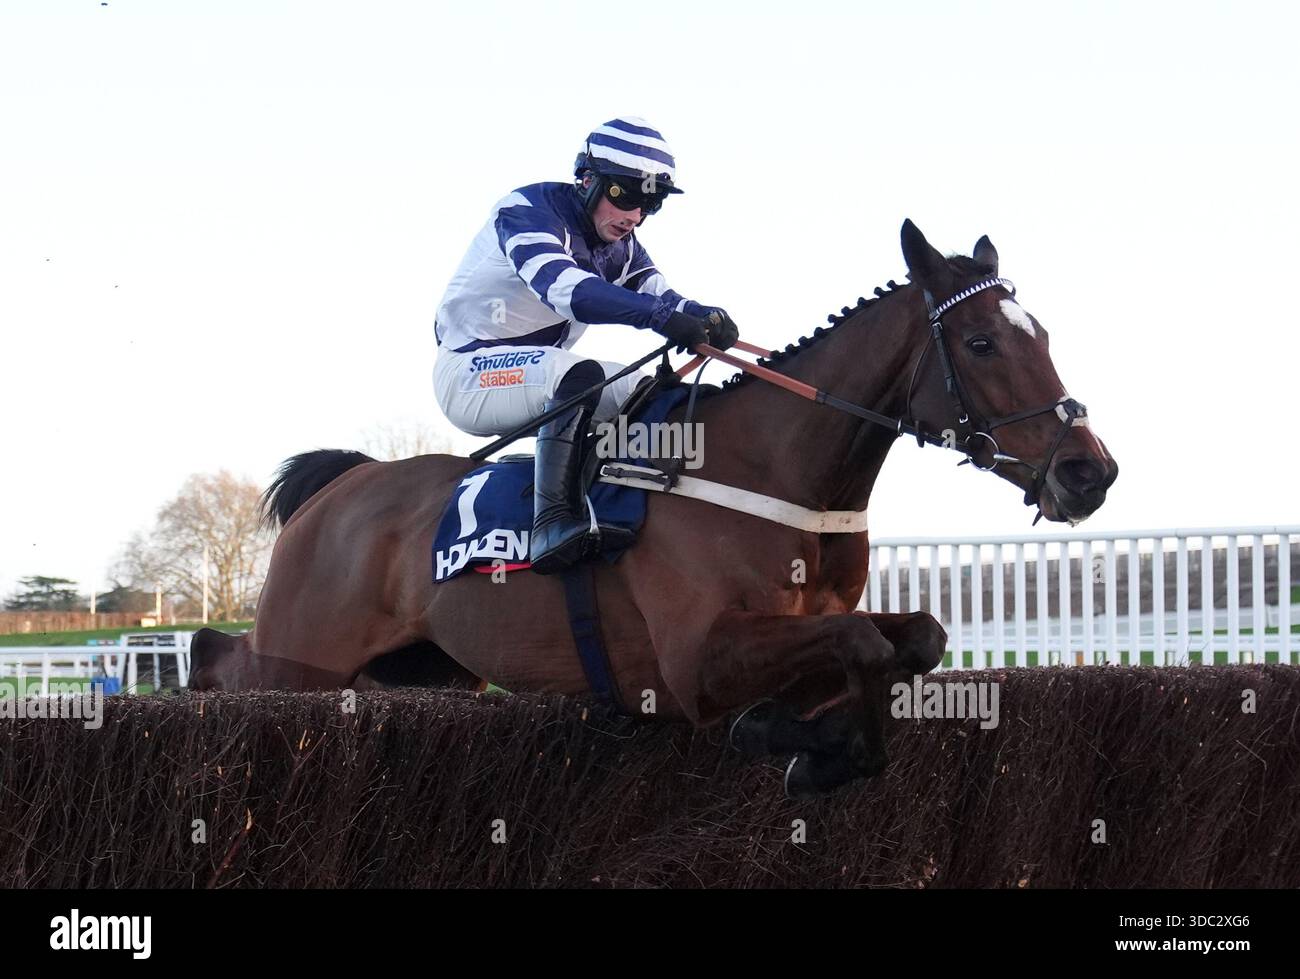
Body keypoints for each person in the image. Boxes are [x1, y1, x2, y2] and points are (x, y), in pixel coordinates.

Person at [433, 116, 739, 575]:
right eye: (626, 196)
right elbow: (565, 288)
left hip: (538, 374)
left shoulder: (625, 247)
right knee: (581, 375)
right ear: (589, 180)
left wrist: (706, 316)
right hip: (469, 374)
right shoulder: (526, 210)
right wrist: (659, 319)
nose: (635, 216)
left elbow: (664, 298)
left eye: (650, 204)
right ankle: (552, 524)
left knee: (660, 396)